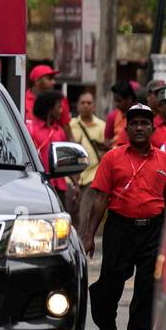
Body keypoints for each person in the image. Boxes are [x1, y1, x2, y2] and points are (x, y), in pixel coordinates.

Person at [82, 103, 166, 330]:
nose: (139, 127)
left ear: (153, 128)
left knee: (147, 287)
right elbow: (100, 198)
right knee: (109, 285)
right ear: (127, 128)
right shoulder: (113, 157)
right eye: (134, 123)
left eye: (145, 123)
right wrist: (88, 234)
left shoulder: (165, 161)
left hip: (153, 230)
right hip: (120, 228)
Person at [68, 91, 107, 236]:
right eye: (82, 103)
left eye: (89, 103)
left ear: (94, 106)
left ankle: (81, 245)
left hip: (92, 175)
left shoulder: (102, 126)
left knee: (85, 214)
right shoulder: (71, 125)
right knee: (70, 214)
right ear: (77, 106)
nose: (86, 106)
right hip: (71, 178)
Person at [27, 90, 72, 198]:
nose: (61, 111)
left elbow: (65, 160)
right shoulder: (31, 129)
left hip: (59, 188)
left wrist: (75, 183)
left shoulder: (59, 131)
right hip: (38, 186)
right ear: (49, 108)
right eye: (58, 107)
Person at [104, 79, 136, 147]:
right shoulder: (113, 116)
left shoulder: (143, 114)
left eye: (119, 101)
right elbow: (107, 140)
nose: (116, 104)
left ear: (129, 99)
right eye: (115, 101)